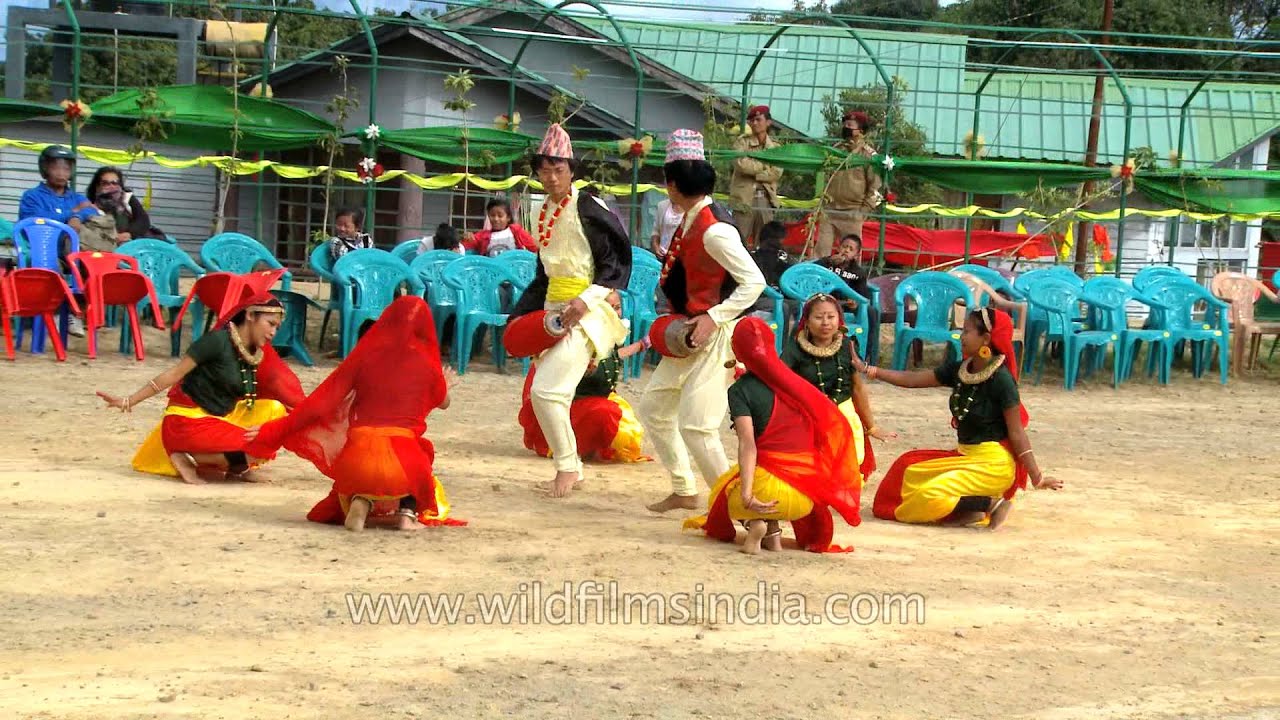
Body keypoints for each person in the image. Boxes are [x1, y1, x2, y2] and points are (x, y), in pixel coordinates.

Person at [243, 296, 463, 532]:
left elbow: (318, 404)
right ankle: (406, 515)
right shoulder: (426, 364)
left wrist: (275, 430)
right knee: (423, 452)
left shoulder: (364, 357)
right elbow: (442, 403)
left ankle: (361, 500)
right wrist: (444, 385)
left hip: (357, 460)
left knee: (366, 476)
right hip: (404, 463)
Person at [640, 129, 766, 513]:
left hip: (718, 332)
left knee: (697, 425)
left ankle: (738, 507)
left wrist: (713, 317)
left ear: (673, 184)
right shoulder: (694, 218)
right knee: (654, 408)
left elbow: (755, 282)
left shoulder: (715, 231)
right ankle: (684, 488)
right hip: (691, 331)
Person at [507, 123, 632, 498]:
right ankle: (569, 466)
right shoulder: (540, 210)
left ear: (571, 170)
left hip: (588, 309)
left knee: (547, 392)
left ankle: (568, 467)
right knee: (545, 392)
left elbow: (615, 260)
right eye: (544, 170)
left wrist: (587, 299)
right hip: (554, 311)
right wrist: (520, 315)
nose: (551, 177)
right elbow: (543, 273)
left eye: (558, 169)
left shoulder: (588, 206)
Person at [854, 308, 1063, 529]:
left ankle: (991, 503)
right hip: (966, 456)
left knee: (930, 493)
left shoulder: (1001, 380)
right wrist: (869, 369)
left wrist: (1037, 477)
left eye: (967, 331)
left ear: (986, 339)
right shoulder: (962, 369)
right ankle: (968, 509)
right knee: (911, 471)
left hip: (992, 465)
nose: (961, 336)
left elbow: (1017, 433)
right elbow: (913, 379)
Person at [683, 317, 862, 554]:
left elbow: (748, 446)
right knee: (772, 473)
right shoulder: (796, 384)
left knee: (721, 492)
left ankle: (752, 524)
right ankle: (773, 536)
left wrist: (747, 495)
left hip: (766, 492)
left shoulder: (740, 390)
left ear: (737, 350)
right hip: (804, 497)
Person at [96, 292, 305, 484]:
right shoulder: (216, 342)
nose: (273, 332)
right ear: (250, 315)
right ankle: (186, 456)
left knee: (276, 414)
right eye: (270, 324)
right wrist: (128, 400)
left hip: (221, 417)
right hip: (187, 422)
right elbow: (173, 374)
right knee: (257, 446)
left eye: (277, 327)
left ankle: (236, 467)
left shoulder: (255, 352)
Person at [780, 294, 892, 480]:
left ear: (839, 319)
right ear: (807, 321)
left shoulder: (847, 345)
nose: (825, 323)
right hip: (808, 415)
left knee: (848, 464)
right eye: (818, 317)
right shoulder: (795, 349)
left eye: (831, 317)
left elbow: (857, 387)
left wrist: (871, 427)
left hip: (844, 412)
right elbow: (780, 380)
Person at [517, 339, 647, 464]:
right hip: (567, 405)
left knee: (616, 415)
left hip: (593, 400)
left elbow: (614, 356)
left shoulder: (606, 337)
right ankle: (574, 449)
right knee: (605, 412)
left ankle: (588, 446)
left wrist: (642, 344)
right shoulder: (577, 339)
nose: (618, 315)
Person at [20, 145, 97, 336]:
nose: (61, 173)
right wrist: (71, 216)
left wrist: (78, 217)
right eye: (56, 167)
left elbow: (93, 210)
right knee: (50, 264)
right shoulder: (32, 196)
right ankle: (56, 311)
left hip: (72, 254)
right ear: (45, 169)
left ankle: (76, 312)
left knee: (93, 263)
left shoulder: (76, 197)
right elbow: (37, 220)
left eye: (66, 168)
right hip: (43, 252)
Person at [814, 109, 881, 259]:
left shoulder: (868, 155)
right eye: (845, 124)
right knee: (820, 254)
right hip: (830, 210)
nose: (846, 127)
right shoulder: (836, 150)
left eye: (850, 124)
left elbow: (876, 186)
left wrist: (863, 211)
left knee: (851, 256)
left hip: (852, 213)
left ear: (861, 130)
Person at [729, 105, 782, 247]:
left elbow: (776, 173)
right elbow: (741, 164)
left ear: (768, 122)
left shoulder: (775, 148)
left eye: (758, 119)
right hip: (744, 199)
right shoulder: (742, 142)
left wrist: (754, 171)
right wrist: (765, 165)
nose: (754, 123)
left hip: (765, 199)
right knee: (739, 243)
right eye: (752, 120)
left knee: (766, 242)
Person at [81, 166, 163, 250]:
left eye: (115, 183)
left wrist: (129, 234)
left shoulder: (127, 198)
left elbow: (143, 220)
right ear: (97, 187)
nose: (111, 186)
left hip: (131, 244)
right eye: (105, 183)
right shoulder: (89, 205)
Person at [463, 197, 536, 256]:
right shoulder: (482, 236)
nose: (496, 219)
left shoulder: (516, 231)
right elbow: (462, 248)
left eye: (500, 216)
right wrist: (467, 238)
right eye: (492, 215)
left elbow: (534, 247)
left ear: (508, 218)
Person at [817, 234, 872, 311]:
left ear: (856, 255)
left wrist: (856, 303)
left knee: (871, 311)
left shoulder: (858, 272)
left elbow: (863, 296)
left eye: (851, 249)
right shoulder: (827, 262)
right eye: (844, 247)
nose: (846, 250)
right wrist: (829, 261)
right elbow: (810, 268)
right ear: (838, 248)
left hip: (845, 305)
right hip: (823, 301)